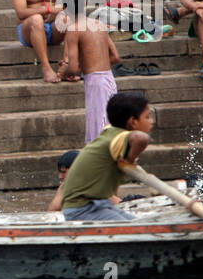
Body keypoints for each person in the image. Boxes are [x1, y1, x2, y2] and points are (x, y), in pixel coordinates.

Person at [58, 92, 154, 222]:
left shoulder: (110, 130)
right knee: (138, 229)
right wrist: (130, 160)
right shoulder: (120, 137)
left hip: (99, 205)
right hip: (83, 209)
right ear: (133, 122)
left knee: (137, 222)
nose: (151, 121)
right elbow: (141, 139)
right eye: (147, 117)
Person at [56, 0, 120, 142]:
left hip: (96, 85)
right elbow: (115, 57)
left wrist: (64, 72)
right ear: (84, 3)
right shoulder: (99, 24)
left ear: (64, 6)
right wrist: (93, 66)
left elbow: (73, 67)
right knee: (110, 129)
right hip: (109, 80)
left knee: (99, 134)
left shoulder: (74, 29)